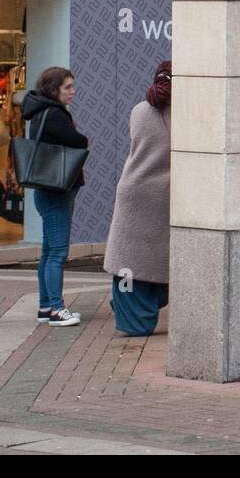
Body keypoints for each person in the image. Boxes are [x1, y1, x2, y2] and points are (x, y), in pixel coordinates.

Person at [104, 62, 172, 336]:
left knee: (128, 263)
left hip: (133, 193)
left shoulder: (139, 111)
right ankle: (136, 312)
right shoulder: (189, 114)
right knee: (159, 263)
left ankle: (130, 313)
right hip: (165, 195)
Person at [21, 67, 88, 327]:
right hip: (56, 191)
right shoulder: (55, 115)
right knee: (58, 252)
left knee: (49, 252)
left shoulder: (39, 112)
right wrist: (82, 137)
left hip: (45, 191)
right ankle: (58, 310)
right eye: (67, 87)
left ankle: (46, 305)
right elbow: (78, 141)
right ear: (54, 89)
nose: (72, 92)